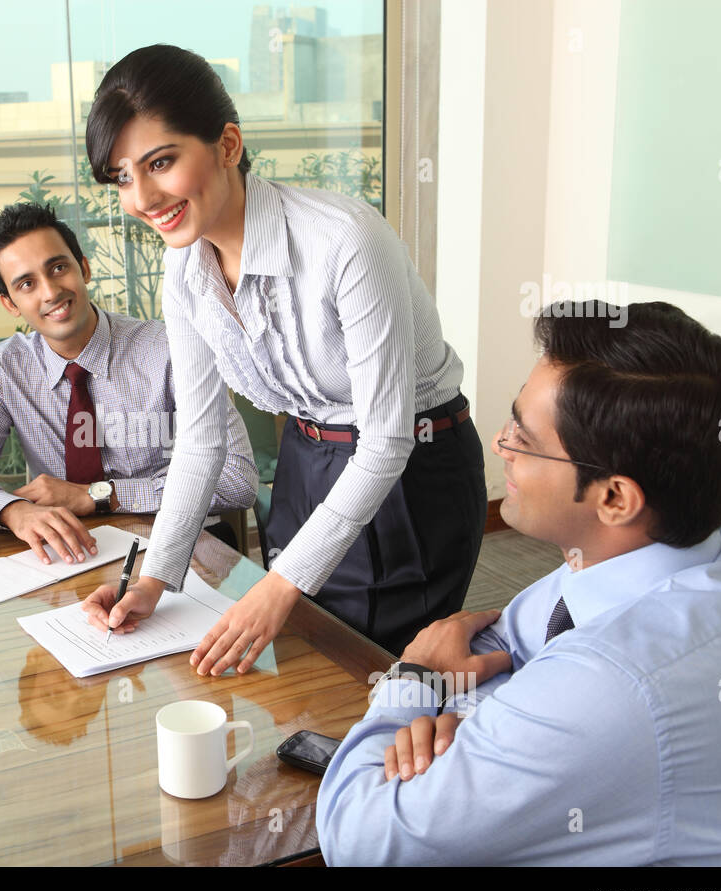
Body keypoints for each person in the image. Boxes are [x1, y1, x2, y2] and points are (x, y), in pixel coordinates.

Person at [315, 301, 721, 865]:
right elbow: (500, 641)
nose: (499, 444)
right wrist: (487, 729)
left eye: (524, 440)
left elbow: (357, 839)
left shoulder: (614, 685)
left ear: (614, 498)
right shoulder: (707, 549)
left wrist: (414, 679)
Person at [80, 45, 486, 664]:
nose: (143, 197)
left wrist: (278, 586)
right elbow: (201, 437)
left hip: (410, 467)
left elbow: (386, 441)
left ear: (228, 145)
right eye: (122, 178)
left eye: (161, 162)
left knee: (372, 670)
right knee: (300, 663)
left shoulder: (345, 239)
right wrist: (153, 578)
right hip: (305, 461)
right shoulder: (184, 268)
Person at [0, 202, 258, 565]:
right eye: (27, 284)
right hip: (67, 557)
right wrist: (12, 510)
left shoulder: (169, 349)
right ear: (10, 303)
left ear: (83, 268)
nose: (50, 292)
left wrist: (100, 495)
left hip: (178, 550)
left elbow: (238, 478)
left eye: (58, 268)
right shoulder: (3, 369)